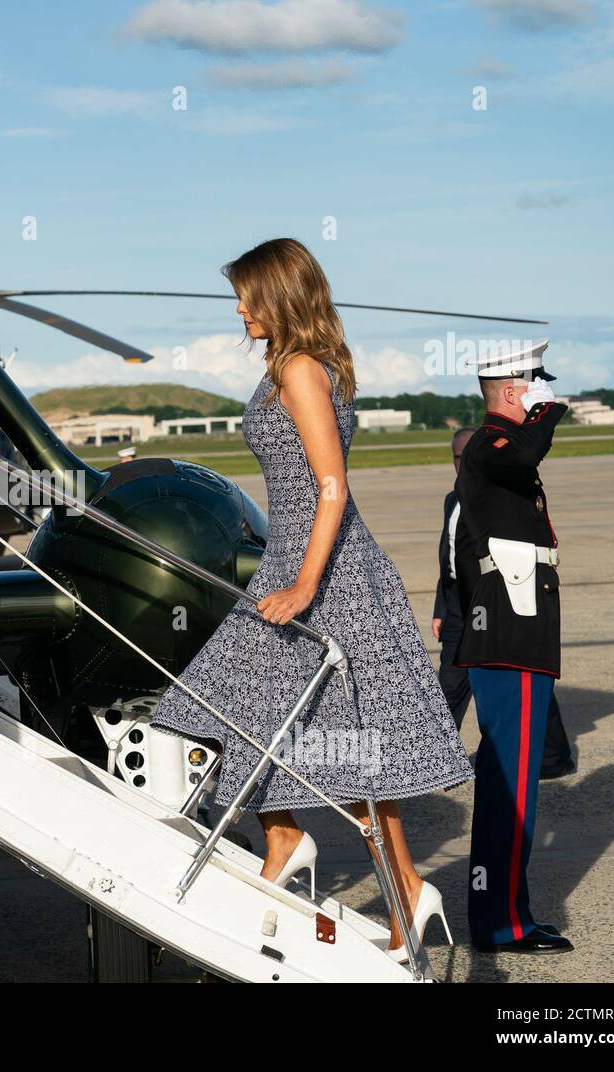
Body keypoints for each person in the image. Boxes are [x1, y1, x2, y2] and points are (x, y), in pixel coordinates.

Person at [147, 238, 474, 962]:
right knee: (250, 711)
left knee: (336, 744)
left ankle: (386, 881)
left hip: (326, 570)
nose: (238, 309)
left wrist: (303, 584)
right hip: (296, 561)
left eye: (247, 296)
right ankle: (298, 840)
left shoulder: (299, 369)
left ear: (281, 297)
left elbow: (331, 487)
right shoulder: (293, 366)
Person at [453, 339, 573, 954]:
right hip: (510, 637)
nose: (545, 394)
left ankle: (509, 915)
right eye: (536, 384)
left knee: (514, 784)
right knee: (508, 786)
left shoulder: (504, 453)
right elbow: (525, 447)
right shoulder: (490, 444)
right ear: (509, 389)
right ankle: (501, 924)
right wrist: (547, 412)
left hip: (519, 638)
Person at [432, 429, 575, 778]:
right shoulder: (453, 500)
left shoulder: (495, 499)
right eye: (457, 458)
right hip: (458, 607)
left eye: (469, 458)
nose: (462, 465)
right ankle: (440, 760)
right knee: (452, 686)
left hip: (489, 606)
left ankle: (550, 756)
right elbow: (450, 558)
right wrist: (441, 607)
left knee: (476, 683)